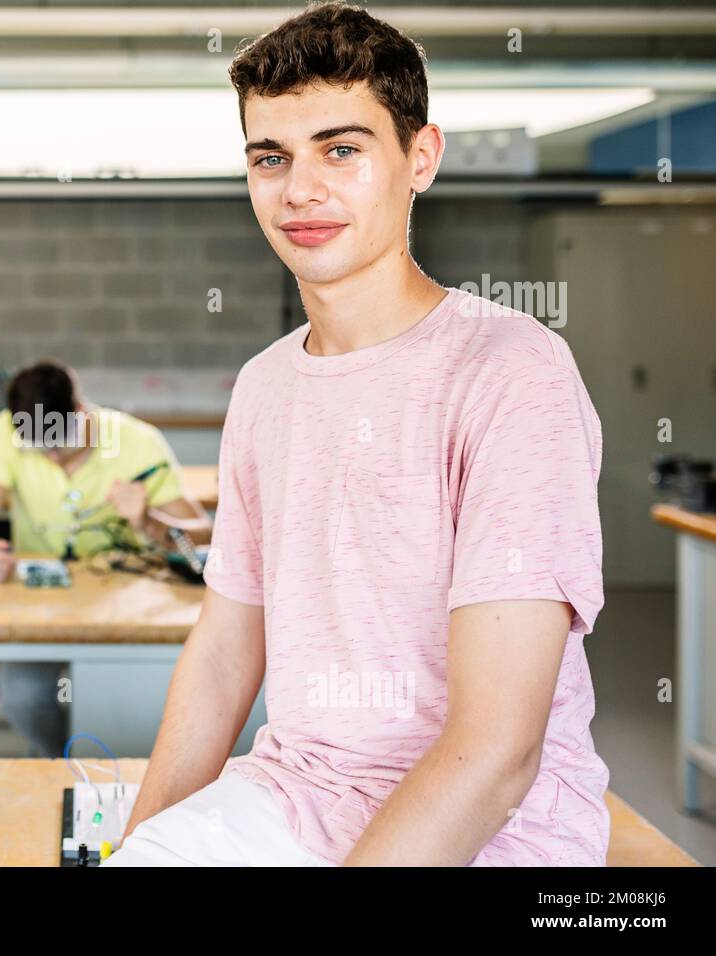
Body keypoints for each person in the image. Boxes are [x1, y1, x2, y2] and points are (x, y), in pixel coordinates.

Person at [105, 1, 609, 867]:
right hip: (294, 798)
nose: (301, 189)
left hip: (498, 834)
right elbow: (227, 651)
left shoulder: (512, 372)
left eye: (342, 149)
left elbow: (497, 753)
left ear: (421, 158)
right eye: (272, 158)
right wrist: (138, 847)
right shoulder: (264, 386)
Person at [0, 360, 211, 757]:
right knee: (24, 697)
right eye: (39, 447)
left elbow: (204, 534)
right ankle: (69, 764)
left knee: (133, 705)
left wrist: (149, 521)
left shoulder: (138, 441)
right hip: (41, 609)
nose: (51, 457)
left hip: (126, 613)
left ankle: (111, 770)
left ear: (82, 414)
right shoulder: (7, 431)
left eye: (57, 442)